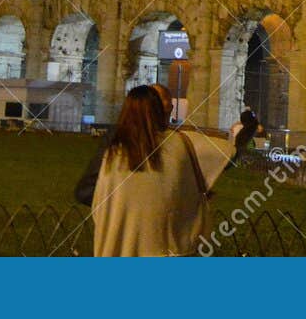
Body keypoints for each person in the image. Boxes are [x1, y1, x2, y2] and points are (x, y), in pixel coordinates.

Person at [75, 83, 254, 256]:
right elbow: (232, 155)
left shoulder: (113, 153)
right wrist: (250, 127)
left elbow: (86, 193)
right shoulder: (182, 142)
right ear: (159, 111)